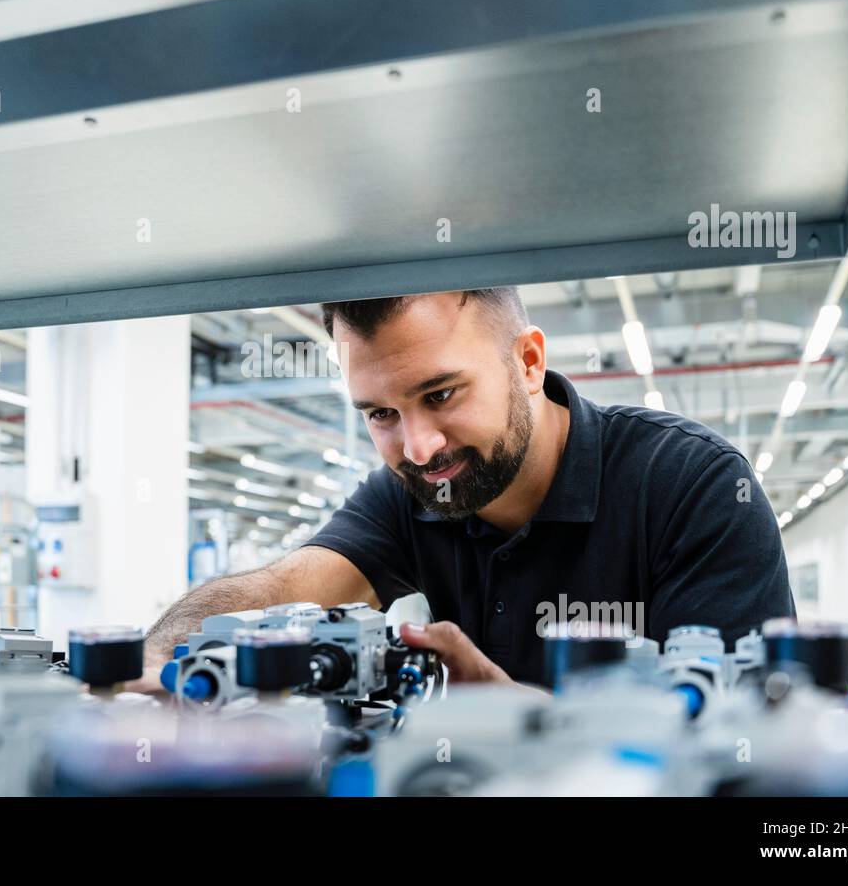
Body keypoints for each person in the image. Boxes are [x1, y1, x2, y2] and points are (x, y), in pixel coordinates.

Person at [141, 288, 795, 691]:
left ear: (530, 362)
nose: (419, 447)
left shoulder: (691, 486)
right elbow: (278, 590)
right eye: (381, 414)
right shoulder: (408, 498)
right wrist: (159, 658)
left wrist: (521, 715)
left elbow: (745, 746)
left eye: (441, 394)